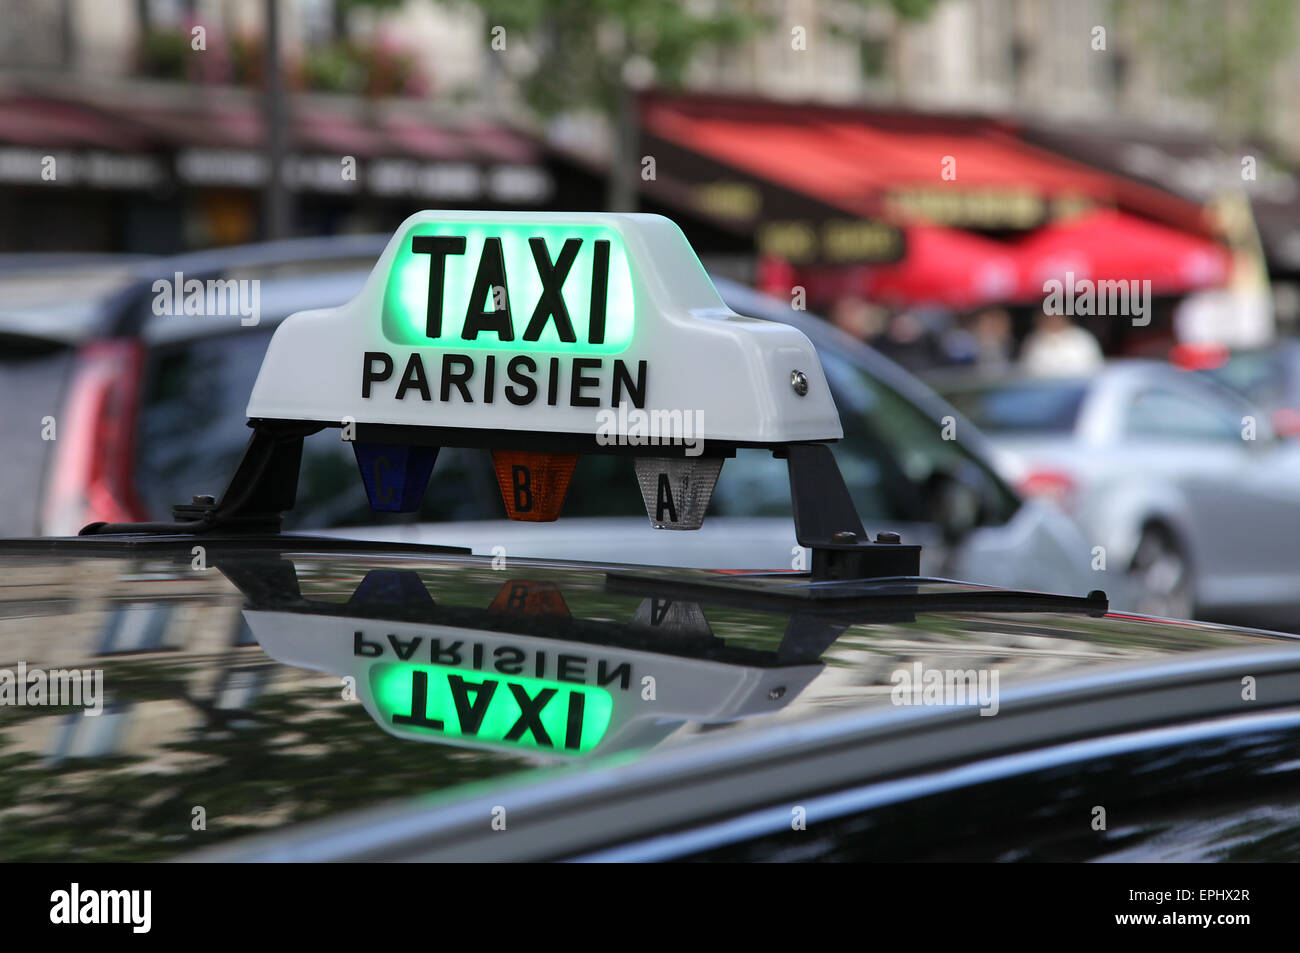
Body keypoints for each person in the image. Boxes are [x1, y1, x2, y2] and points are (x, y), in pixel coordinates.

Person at [1019, 311, 1103, 376]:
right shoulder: (1033, 340)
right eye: (1048, 317)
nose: (1052, 320)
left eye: (1056, 316)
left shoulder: (1082, 338)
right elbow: (1028, 370)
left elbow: (1095, 367)